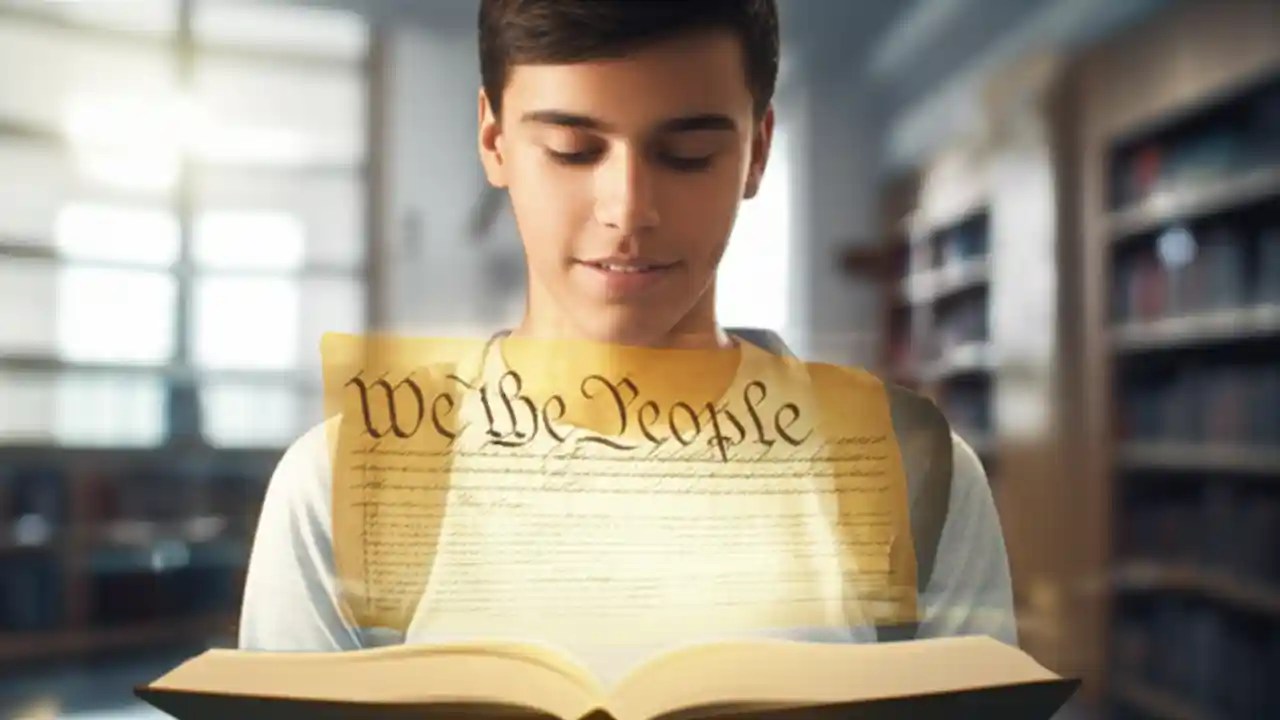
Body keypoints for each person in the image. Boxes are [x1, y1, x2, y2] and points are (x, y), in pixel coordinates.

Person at [238, 0, 1015, 664]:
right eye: (574, 151)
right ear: (493, 140)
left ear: (757, 153)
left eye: (688, 155)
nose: (628, 209)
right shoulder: (345, 484)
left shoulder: (909, 474)